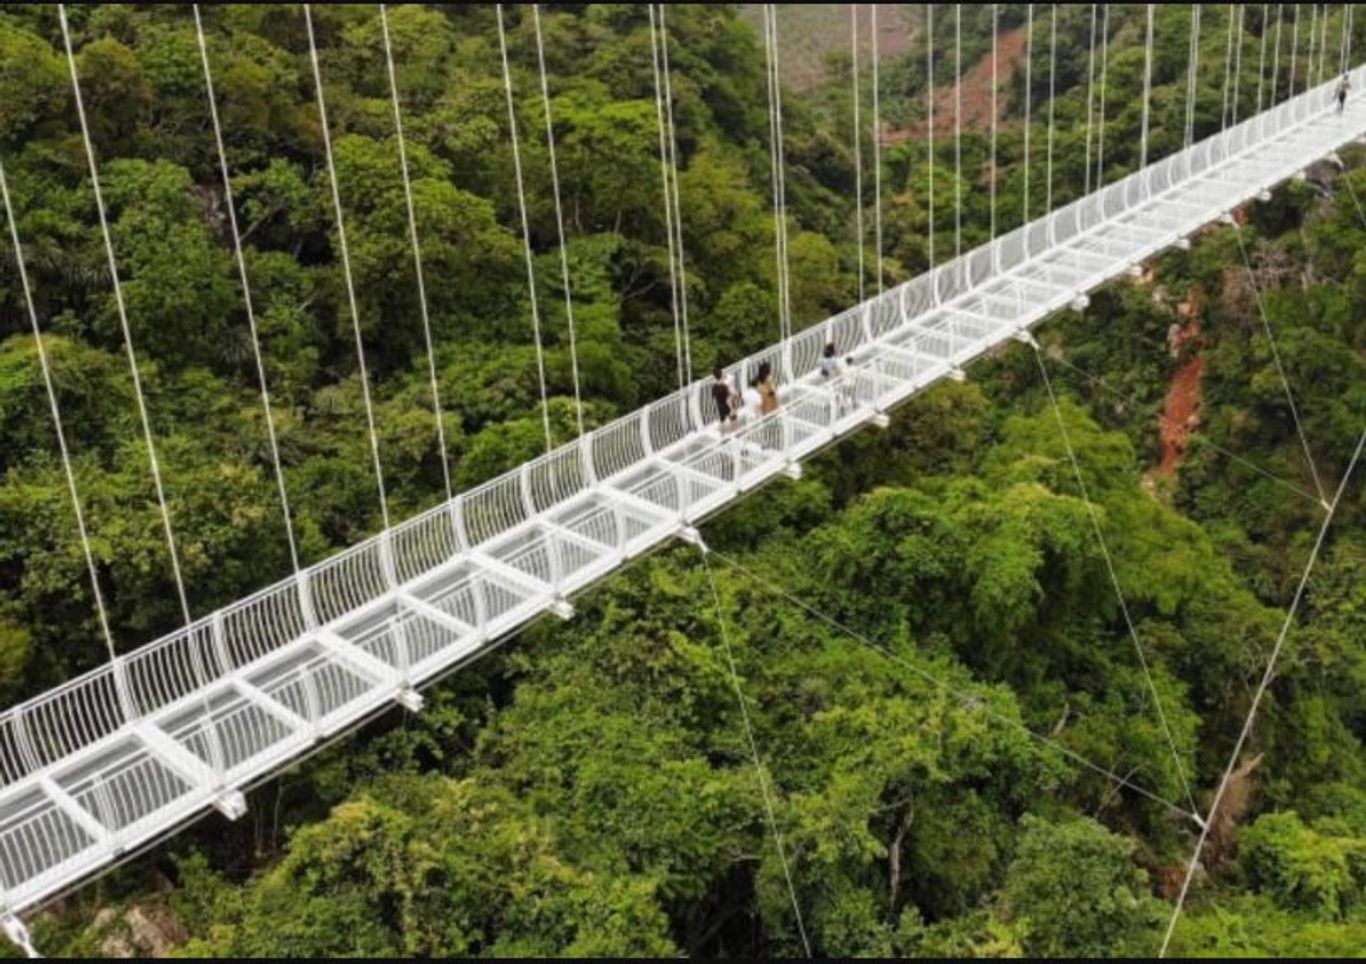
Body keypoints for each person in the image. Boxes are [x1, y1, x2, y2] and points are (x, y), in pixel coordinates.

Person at [711, 365, 737, 433]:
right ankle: (734, 433)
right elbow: (731, 394)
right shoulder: (724, 386)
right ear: (721, 374)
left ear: (714, 376)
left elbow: (713, 396)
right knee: (733, 417)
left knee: (722, 420)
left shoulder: (714, 387)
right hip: (728, 404)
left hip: (720, 405)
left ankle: (721, 434)